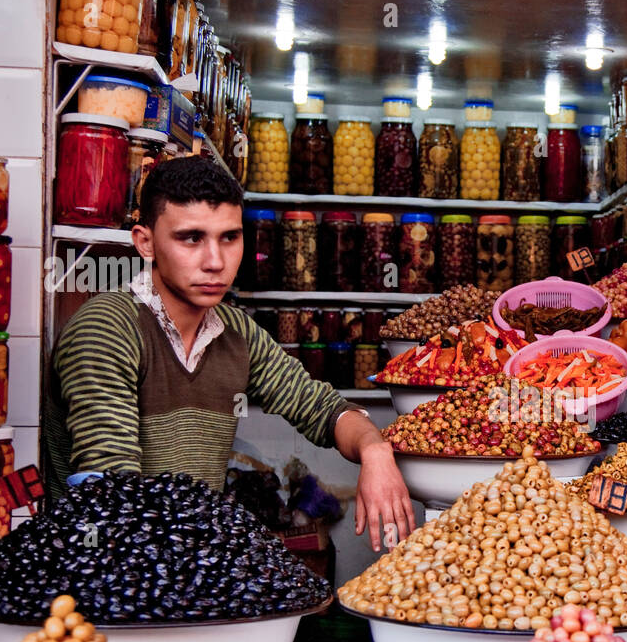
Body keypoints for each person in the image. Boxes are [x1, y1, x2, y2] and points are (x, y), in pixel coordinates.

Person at [44, 156, 414, 552]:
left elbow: (323, 409)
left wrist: (375, 450)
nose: (215, 262)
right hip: (107, 571)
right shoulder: (107, 328)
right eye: (191, 238)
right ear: (145, 242)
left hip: (191, 565)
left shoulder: (236, 331)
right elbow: (113, 494)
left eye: (229, 238)